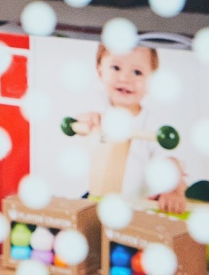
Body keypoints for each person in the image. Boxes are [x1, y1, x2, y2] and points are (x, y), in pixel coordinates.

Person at [65, 43, 189, 213]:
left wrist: (173, 190)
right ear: (100, 70)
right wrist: (85, 120)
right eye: (116, 68)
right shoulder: (97, 110)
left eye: (137, 72)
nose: (125, 78)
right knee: (73, 222)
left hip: (134, 207)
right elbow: (78, 124)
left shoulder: (152, 125)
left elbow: (168, 160)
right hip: (96, 197)